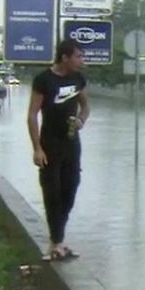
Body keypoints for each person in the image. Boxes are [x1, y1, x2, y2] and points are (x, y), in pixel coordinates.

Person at [28, 38, 89, 261]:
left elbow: (86, 106)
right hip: (49, 144)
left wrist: (81, 121)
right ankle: (57, 243)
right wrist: (37, 148)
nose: (81, 61)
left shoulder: (78, 79)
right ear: (65, 57)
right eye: (78, 57)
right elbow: (32, 114)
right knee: (52, 192)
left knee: (70, 190)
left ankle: (57, 242)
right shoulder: (44, 80)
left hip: (72, 143)